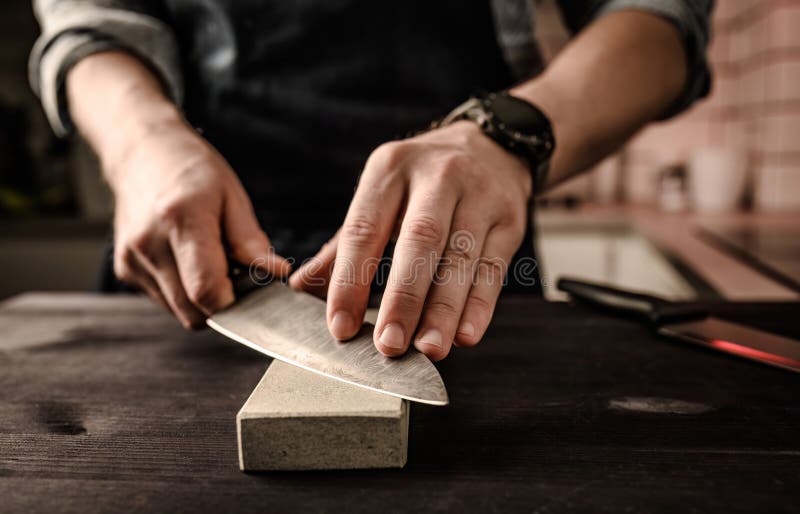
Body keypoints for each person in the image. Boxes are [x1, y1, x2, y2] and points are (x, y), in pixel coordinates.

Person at [30, 0, 712, 361]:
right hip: (198, 265)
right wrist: (141, 143)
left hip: (460, 256)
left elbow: (660, 13)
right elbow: (87, 24)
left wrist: (509, 131)